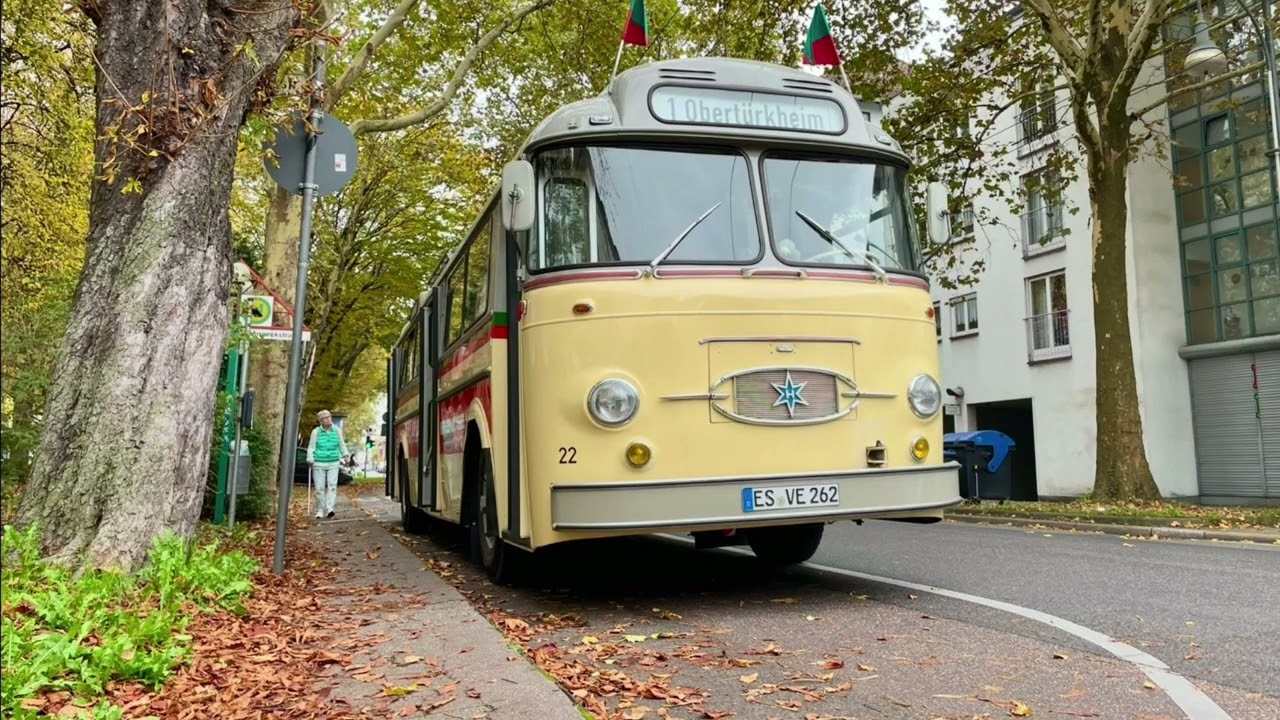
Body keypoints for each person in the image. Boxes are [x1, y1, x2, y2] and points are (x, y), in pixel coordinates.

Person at [307, 409, 349, 519]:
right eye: (325, 418)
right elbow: (311, 447)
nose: (328, 419)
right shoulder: (316, 432)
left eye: (329, 417)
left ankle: (330, 508)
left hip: (334, 462)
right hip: (319, 462)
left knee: (332, 486)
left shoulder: (337, 430)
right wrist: (310, 458)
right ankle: (320, 510)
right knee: (319, 488)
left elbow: (341, 444)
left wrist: (346, 455)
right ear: (320, 421)